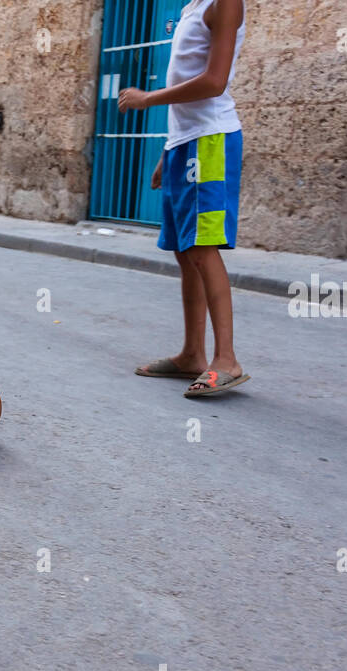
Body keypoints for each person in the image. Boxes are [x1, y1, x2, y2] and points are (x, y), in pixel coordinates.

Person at [120, 0, 249, 397]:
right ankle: (192, 354)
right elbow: (188, 81)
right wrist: (167, 152)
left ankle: (225, 359)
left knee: (203, 246)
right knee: (184, 251)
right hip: (184, 144)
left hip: (210, 142)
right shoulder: (192, 6)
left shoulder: (224, 2)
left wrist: (147, 99)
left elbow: (214, 82)